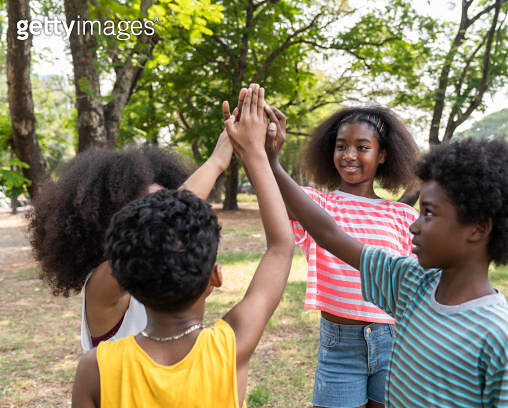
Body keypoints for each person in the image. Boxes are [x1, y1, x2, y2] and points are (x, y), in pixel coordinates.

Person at [265, 129, 508, 407]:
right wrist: (269, 161)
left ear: (477, 229)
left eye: (429, 213)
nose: (413, 225)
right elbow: (330, 235)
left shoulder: (506, 342)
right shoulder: (409, 285)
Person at [71, 84, 295, 408]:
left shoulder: (95, 369)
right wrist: (255, 155)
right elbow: (281, 247)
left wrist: (223, 159)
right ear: (215, 277)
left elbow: (152, 230)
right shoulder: (229, 348)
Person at [264, 105, 420, 408]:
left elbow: (413, 284)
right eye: (341, 147)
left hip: (394, 343)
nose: (349, 155)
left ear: (383, 155)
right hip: (339, 347)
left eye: (362, 147)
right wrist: (270, 158)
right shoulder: (314, 203)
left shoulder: (401, 214)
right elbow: (272, 194)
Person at [29, 128, 234, 351]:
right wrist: (216, 162)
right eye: (150, 208)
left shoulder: (162, 278)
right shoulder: (101, 287)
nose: (162, 213)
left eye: (165, 199)